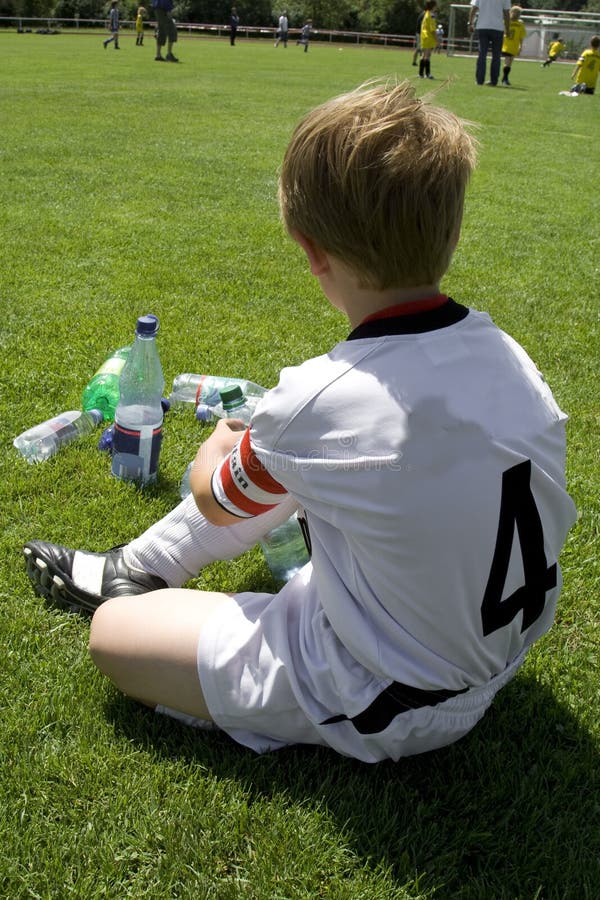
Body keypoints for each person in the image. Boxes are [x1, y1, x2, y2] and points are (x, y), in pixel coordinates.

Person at [23, 80, 576, 764]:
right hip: (491, 655)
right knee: (290, 466)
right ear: (454, 231)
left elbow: (213, 497)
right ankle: (137, 564)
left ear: (310, 249)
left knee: (114, 634)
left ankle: (148, 611)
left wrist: (228, 438)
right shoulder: (507, 355)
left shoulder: (322, 400)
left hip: (390, 695)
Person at [468, 0, 511, 86]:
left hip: (482, 27)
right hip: (498, 28)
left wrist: (470, 23)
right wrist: (508, 28)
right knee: (496, 56)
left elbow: (473, 9)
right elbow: (506, 13)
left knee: (482, 55)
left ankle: (479, 80)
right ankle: (493, 81)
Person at [500, 6, 526, 86]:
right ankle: (505, 79)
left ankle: (505, 78)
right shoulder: (507, 22)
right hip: (507, 45)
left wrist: (520, 46)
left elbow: (521, 37)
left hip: (513, 45)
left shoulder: (520, 24)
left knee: (509, 63)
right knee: (507, 62)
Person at [419, 1, 438, 79]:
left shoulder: (426, 14)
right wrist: (437, 40)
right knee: (427, 56)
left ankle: (421, 74)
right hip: (428, 37)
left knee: (424, 55)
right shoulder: (431, 15)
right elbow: (432, 29)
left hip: (424, 36)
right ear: (433, 6)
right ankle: (427, 74)